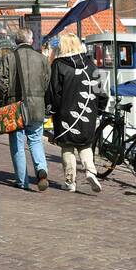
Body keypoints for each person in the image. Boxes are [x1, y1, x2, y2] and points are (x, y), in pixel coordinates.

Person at [46, 32, 103, 193]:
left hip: (65, 112)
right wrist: (99, 108)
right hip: (88, 112)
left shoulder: (58, 65)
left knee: (67, 146)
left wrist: (51, 108)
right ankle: (90, 171)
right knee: (85, 144)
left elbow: (54, 91)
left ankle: (70, 181)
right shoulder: (90, 64)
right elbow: (99, 89)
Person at [0, 27, 52, 191]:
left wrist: (3, 102)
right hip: (37, 105)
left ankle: (22, 181)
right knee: (36, 140)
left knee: (17, 144)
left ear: (16, 41)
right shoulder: (42, 59)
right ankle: (41, 169)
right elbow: (47, 82)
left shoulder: (9, 58)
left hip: (15, 106)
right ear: (31, 41)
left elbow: (2, 82)